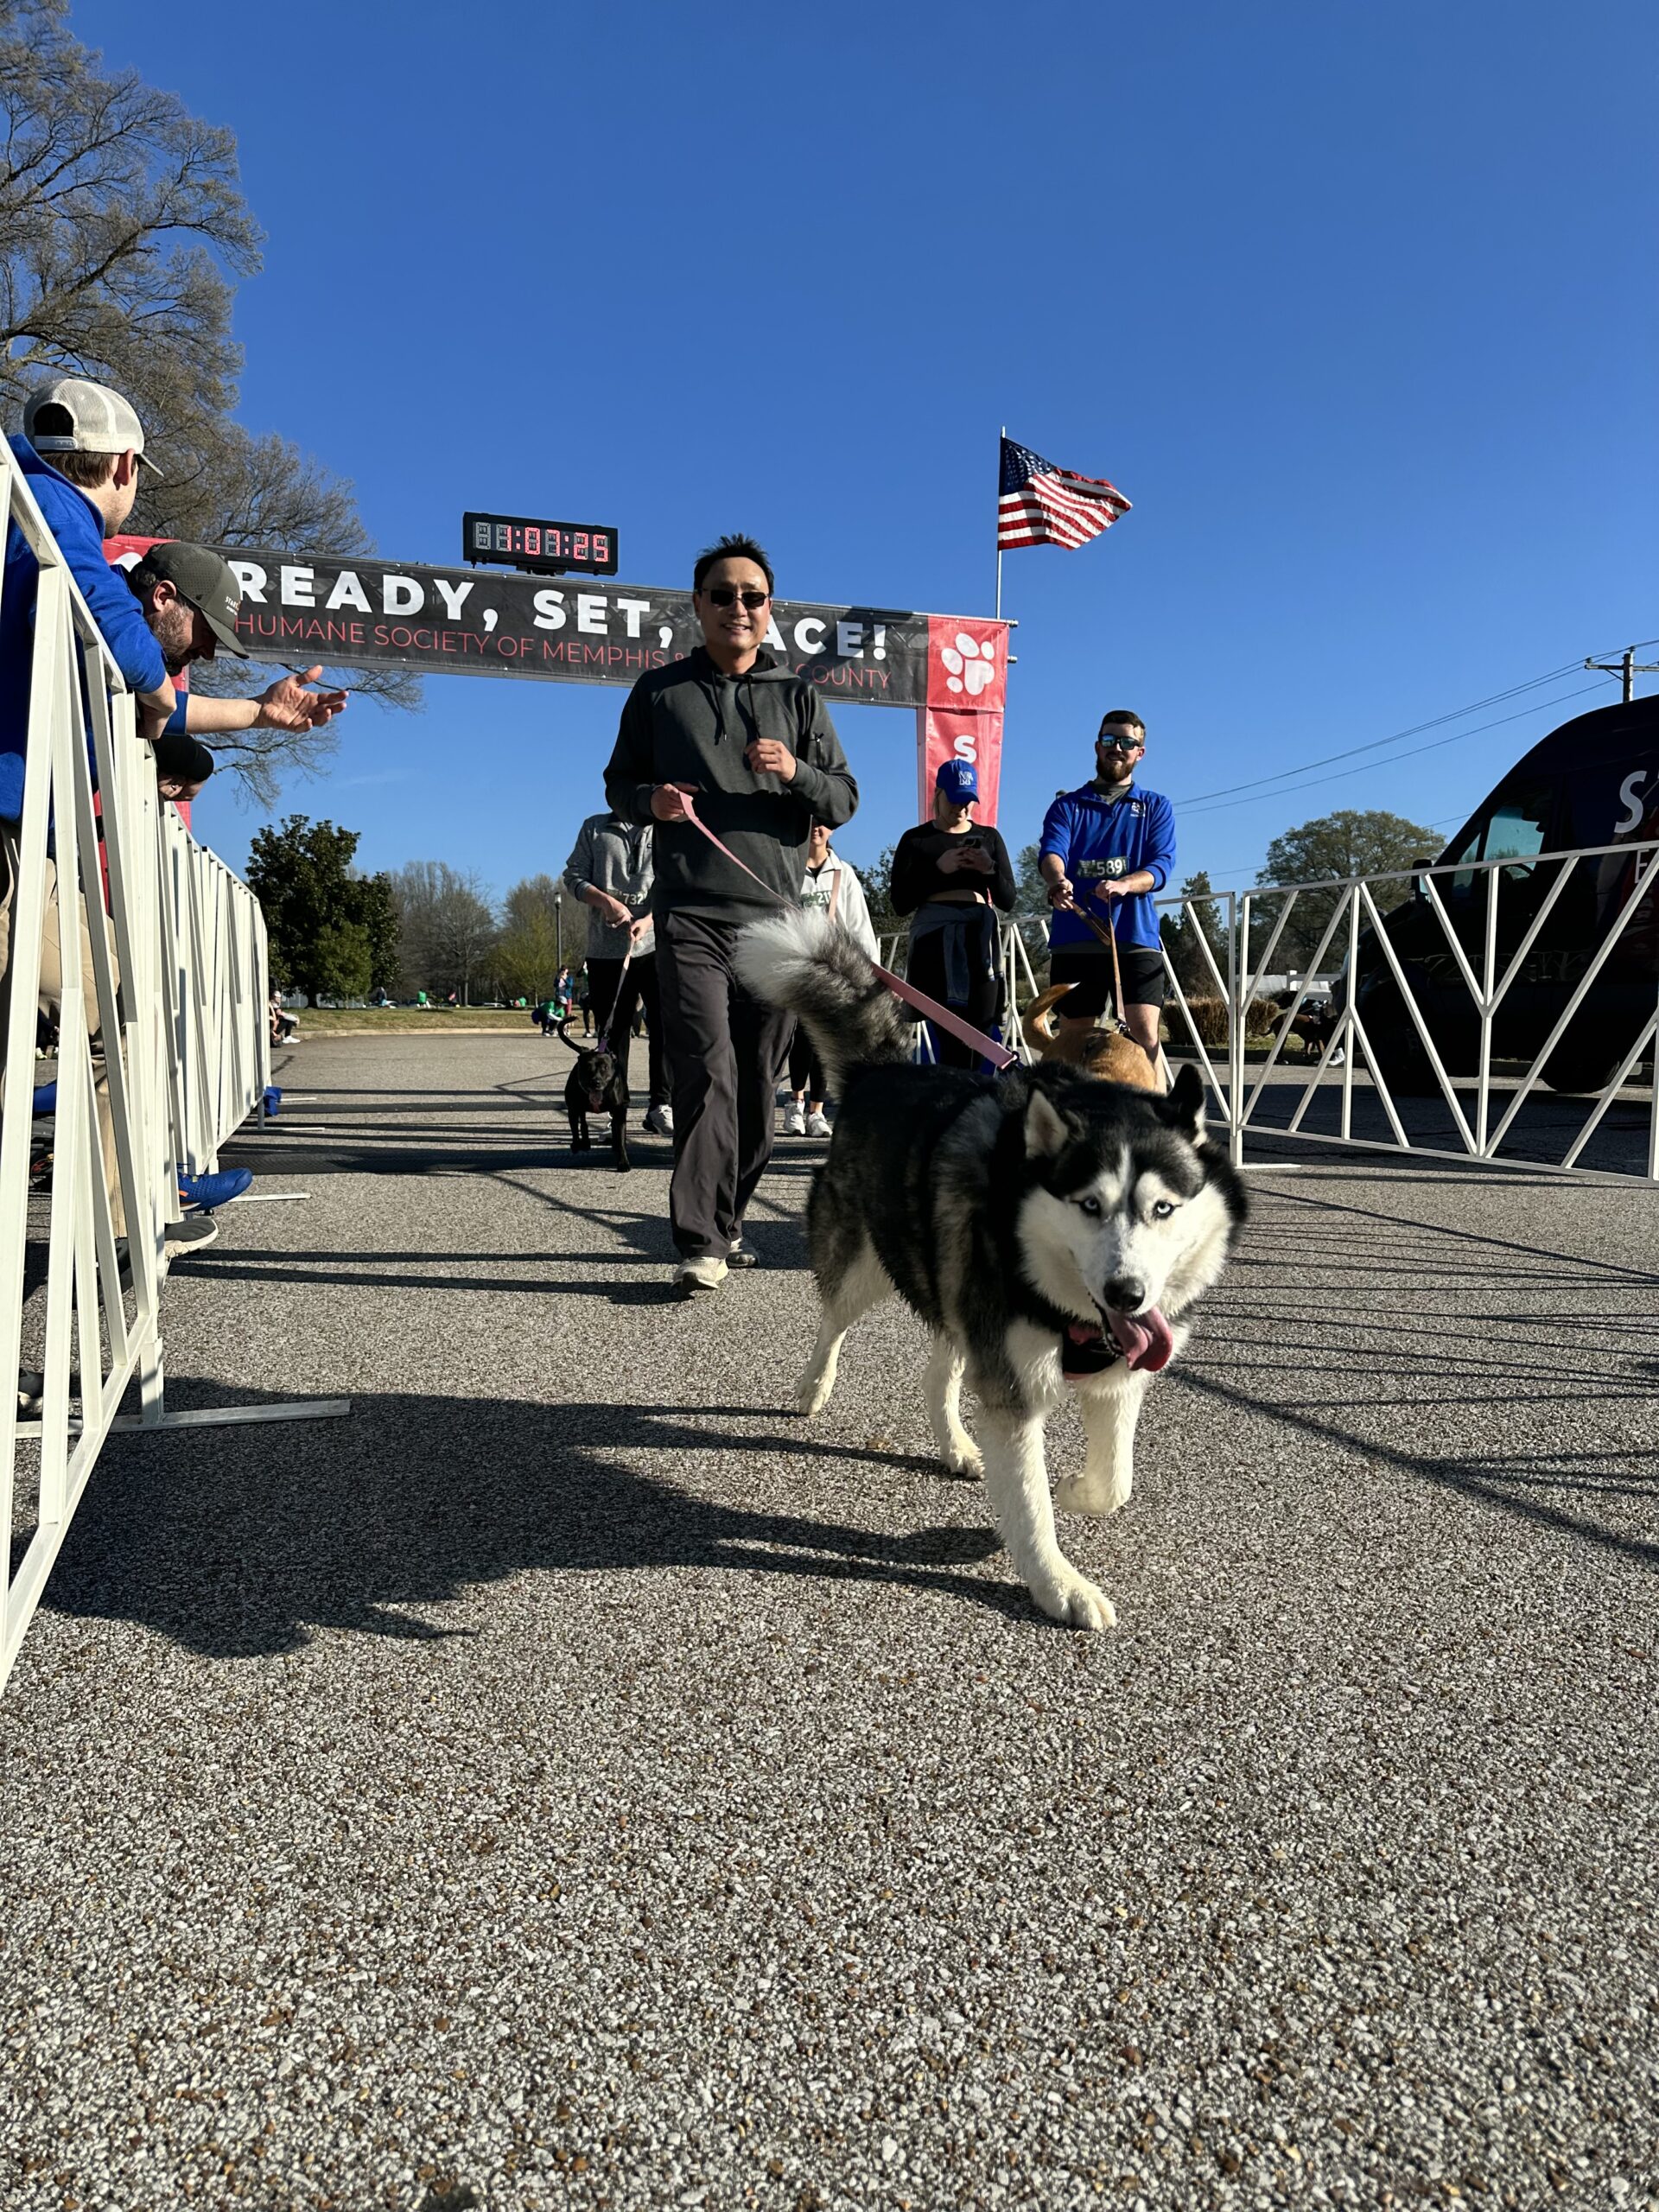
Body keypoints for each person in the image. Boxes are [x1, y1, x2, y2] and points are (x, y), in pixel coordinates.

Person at [603, 531, 857, 1295]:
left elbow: (844, 798)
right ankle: (700, 1238)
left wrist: (797, 770)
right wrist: (651, 801)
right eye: (723, 595)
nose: (737, 607)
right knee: (705, 1071)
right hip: (690, 915)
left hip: (774, 921)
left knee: (757, 1083)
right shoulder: (658, 692)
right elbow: (619, 785)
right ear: (698, 606)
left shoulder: (798, 697)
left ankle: (732, 1213)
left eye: (752, 596)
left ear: (769, 611)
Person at [1038, 709, 1176, 1064]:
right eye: (1110, 740)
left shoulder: (1155, 807)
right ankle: (1071, 1112)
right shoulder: (1067, 806)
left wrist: (1126, 885)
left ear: (1139, 753)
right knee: (1074, 1039)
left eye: (1128, 742)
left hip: (1134, 937)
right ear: (1097, 746)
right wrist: (1059, 880)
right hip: (1076, 937)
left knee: (1144, 1036)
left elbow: (1160, 866)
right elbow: (1052, 851)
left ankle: (1151, 1113)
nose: (1118, 748)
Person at [890, 760, 1016, 1068]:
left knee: (982, 1027)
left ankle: (977, 1102)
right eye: (955, 800)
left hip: (980, 938)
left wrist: (988, 869)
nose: (962, 809)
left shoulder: (989, 837)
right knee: (947, 1029)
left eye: (968, 802)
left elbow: (1008, 899)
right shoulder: (916, 839)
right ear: (938, 793)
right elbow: (900, 903)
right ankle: (949, 1102)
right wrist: (938, 869)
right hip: (935, 938)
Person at [563, 809, 672, 1135]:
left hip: (656, 946)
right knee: (614, 1032)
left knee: (664, 1026)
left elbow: (677, 882)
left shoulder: (666, 827)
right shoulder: (595, 828)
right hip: (605, 950)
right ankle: (616, 1107)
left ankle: (660, 1104)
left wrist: (650, 918)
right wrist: (605, 902)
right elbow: (574, 877)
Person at [782, 822, 877, 1135]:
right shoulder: (789, 868)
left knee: (825, 1037)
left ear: (832, 830)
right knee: (797, 1037)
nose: (815, 828)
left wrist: (871, 972)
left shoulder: (842, 873)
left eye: (823, 823)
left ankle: (817, 1109)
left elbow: (859, 924)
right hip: (795, 964)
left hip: (831, 968)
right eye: (809, 821)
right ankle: (794, 1102)